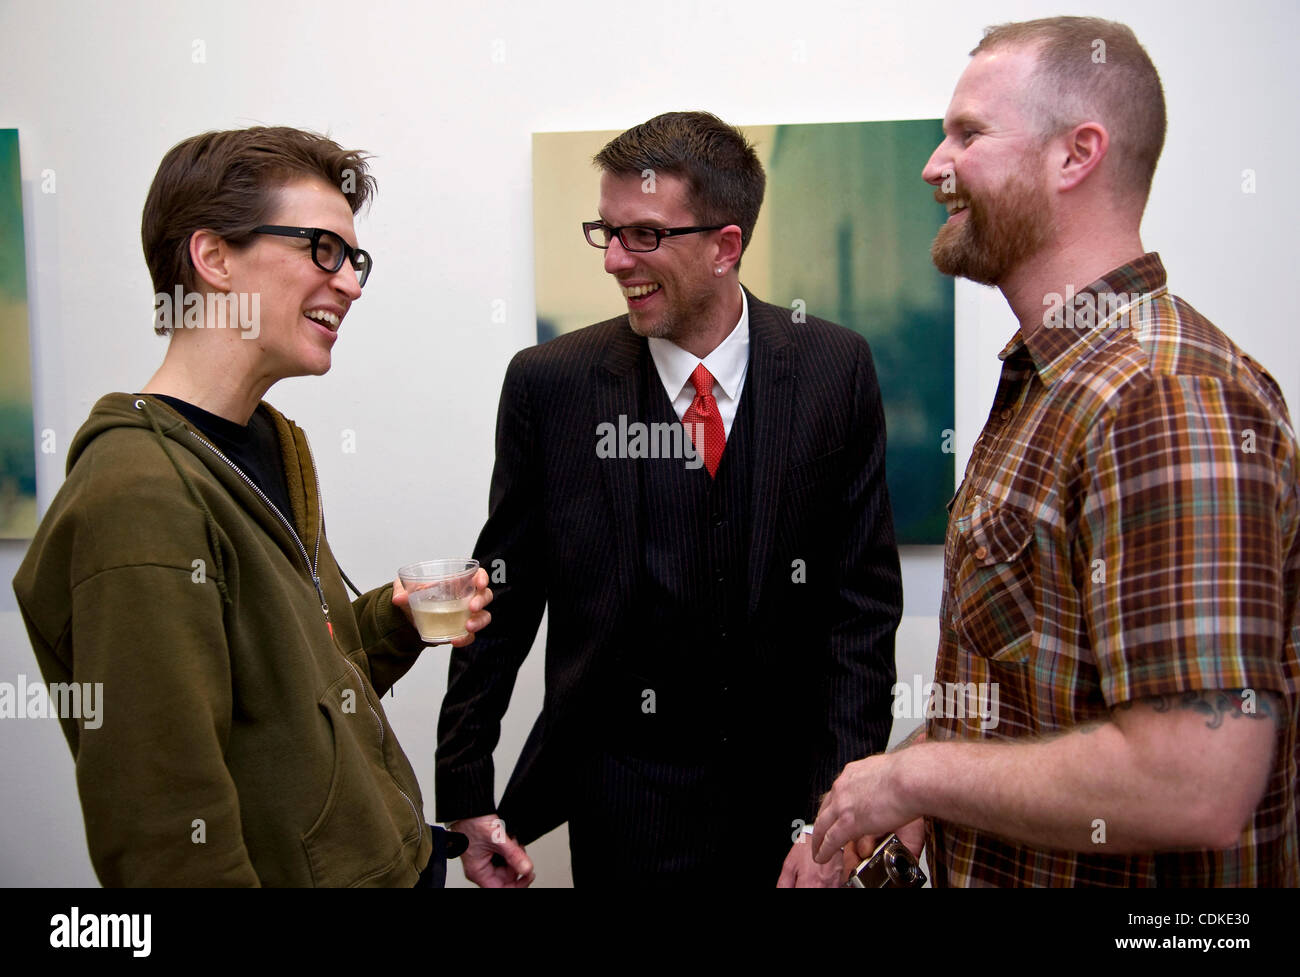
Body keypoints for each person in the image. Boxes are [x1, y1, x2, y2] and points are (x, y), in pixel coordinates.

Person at [812, 16, 1299, 886]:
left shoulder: (1160, 394)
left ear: (1076, 155)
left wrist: (913, 777)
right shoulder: (1055, 379)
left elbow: (1195, 780)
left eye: (968, 134)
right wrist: (915, 789)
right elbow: (1039, 702)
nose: (934, 165)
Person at [12, 126, 492, 887]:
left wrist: (393, 622)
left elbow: (294, 692)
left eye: (355, 259)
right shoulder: (136, 495)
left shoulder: (272, 443)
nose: (352, 284)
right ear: (213, 257)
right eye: (323, 249)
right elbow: (167, 836)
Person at [436, 111, 902, 887]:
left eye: (644, 234)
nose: (615, 260)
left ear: (726, 245)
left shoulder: (836, 367)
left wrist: (835, 815)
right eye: (607, 231)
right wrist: (465, 788)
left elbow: (861, 612)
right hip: (623, 809)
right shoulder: (550, 385)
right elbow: (502, 599)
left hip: (792, 809)